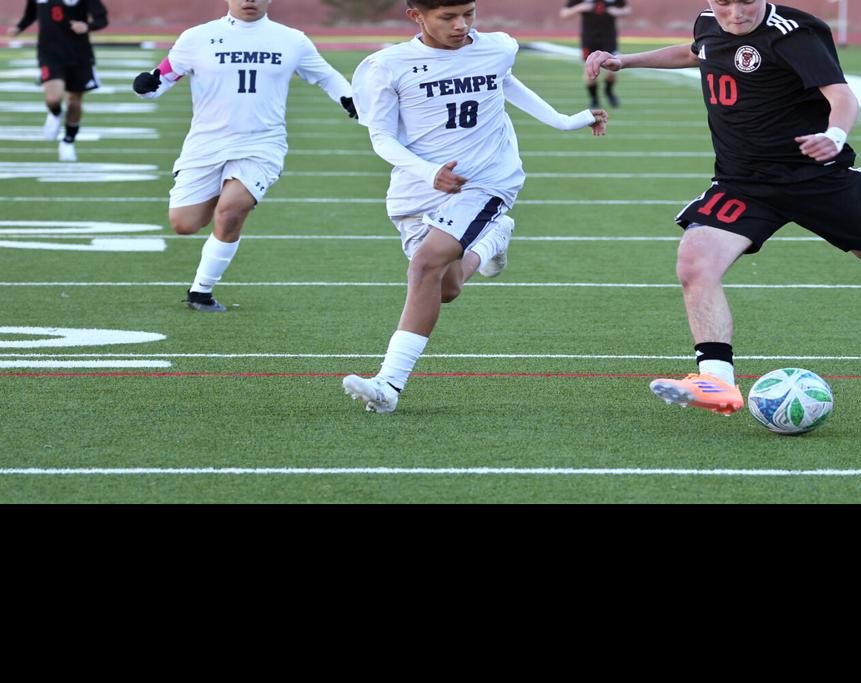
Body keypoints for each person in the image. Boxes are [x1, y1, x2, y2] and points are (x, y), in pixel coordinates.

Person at [588, 0, 861, 417]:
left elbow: (841, 93)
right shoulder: (709, 23)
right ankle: (717, 381)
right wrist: (625, 61)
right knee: (695, 262)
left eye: (745, 1)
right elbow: (697, 51)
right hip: (743, 182)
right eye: (723, 2)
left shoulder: (796, 33)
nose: (735, 13)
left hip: (817, 178)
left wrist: (835, 135)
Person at [341, 0, 606, 414]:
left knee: (424, 265)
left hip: (486, 180)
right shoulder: (387, 66)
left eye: (469, 14)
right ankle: (492, 239)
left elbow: (505, 82)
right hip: (420, 186)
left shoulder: (498, 47)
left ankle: (389, 384)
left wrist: (566, 120)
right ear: (416, 16)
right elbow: (382, 138)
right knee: (445, 288)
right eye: (448, 17)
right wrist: (428, 172)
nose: (462, 25)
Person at [131, 0, 357, 313]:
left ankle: (201, 291)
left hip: (262, 144)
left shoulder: (292, 40)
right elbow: (162, 78)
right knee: (184, 223)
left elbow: (327, 76)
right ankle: (222, 191)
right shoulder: (196, 37)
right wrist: (146, 86)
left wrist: (350, 99)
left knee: (230, 211)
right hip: (206, 144)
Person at [8, 0, 107, 162]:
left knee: (74, 101)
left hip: (78, 54)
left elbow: (101, 18)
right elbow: (31, 13)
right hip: (50, 54)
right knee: (53, 98)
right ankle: (56, 113)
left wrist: (87, 26)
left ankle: (68, 141)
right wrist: (19, 27)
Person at [559, 0, 628, 108]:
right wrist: (580, 7)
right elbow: (564, 13)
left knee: (612, 72)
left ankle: (608, 91)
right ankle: (594, 99)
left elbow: (626, 9)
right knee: (590, 73)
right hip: (589, 40)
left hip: (609, 39)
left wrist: (618, 12)